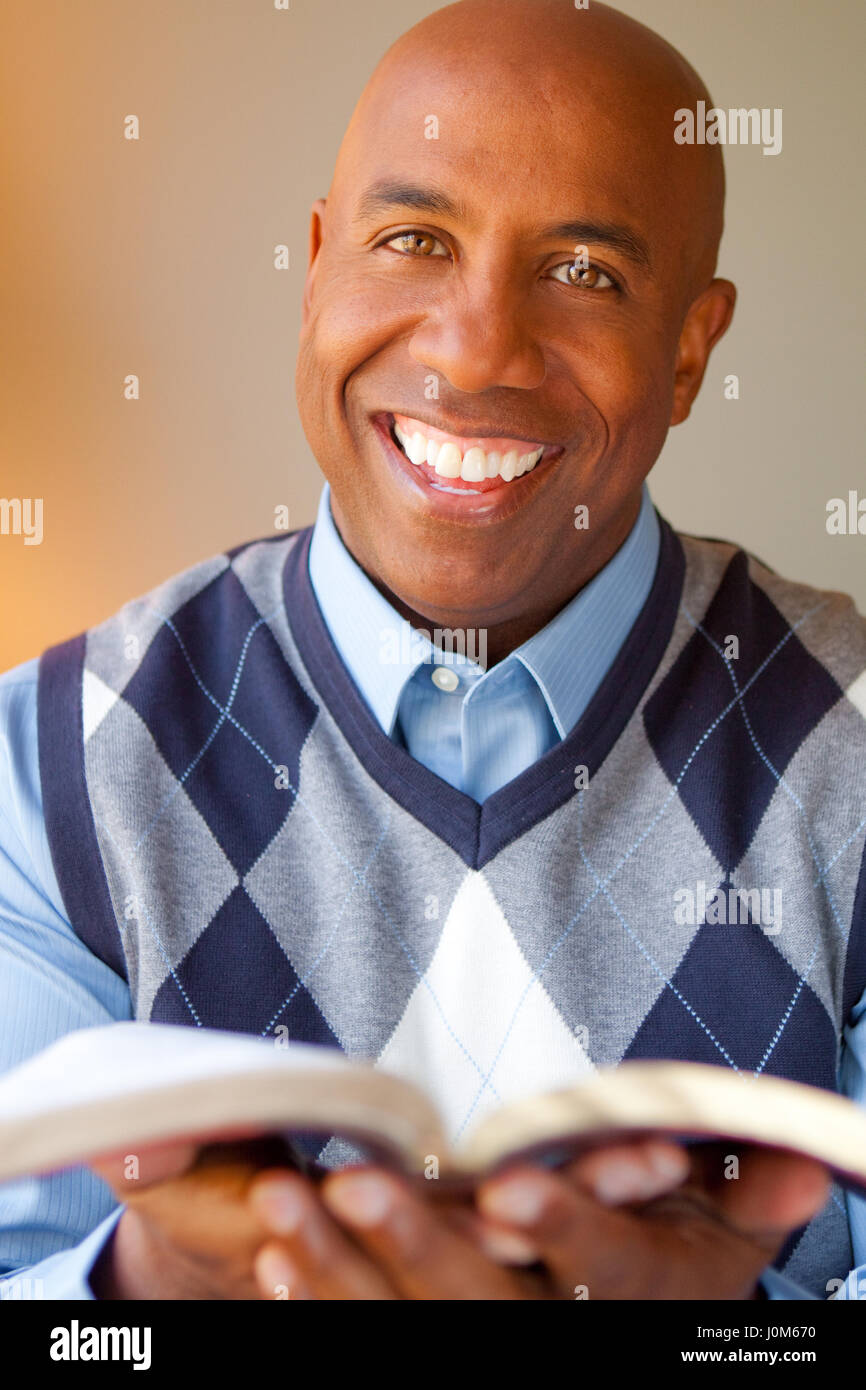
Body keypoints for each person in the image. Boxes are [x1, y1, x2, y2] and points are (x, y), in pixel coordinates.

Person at [1, 0, 864, 1301]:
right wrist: (150, 1289)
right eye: (411, 240)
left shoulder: (847, 745)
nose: (471, 347)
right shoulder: (53, 760)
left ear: (689, 349)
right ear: (314, 266)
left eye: (582, 271)